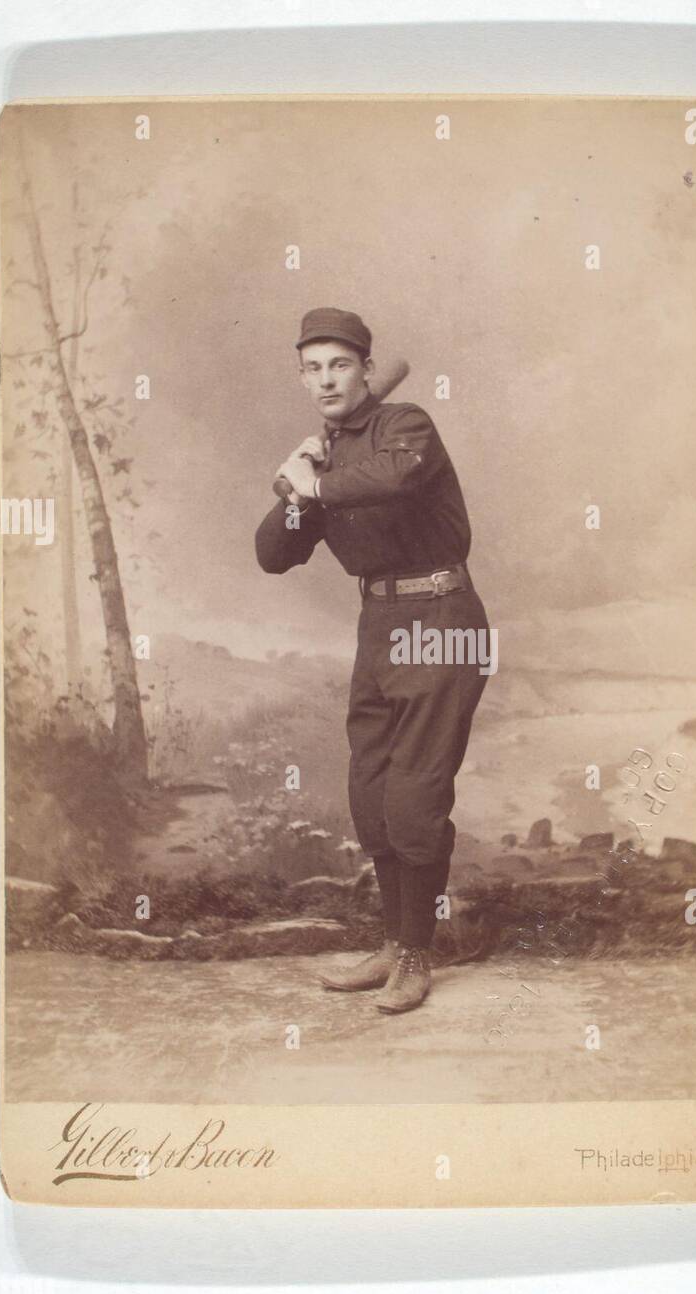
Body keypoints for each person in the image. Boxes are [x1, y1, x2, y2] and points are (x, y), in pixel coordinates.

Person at [255, 307, 490, 1013]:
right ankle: (392, 944)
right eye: (313, 368)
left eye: (339, 364)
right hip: (379, 622)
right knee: (372, 792)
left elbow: (388, 481)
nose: (327, 378)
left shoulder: (404, 427)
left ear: (364, 368)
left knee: (415, 796)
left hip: (441, 617)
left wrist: (315, 484)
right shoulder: (326, 458)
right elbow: (272, 556)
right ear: (303, 378)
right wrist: (295, 492)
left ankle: (418, 954)